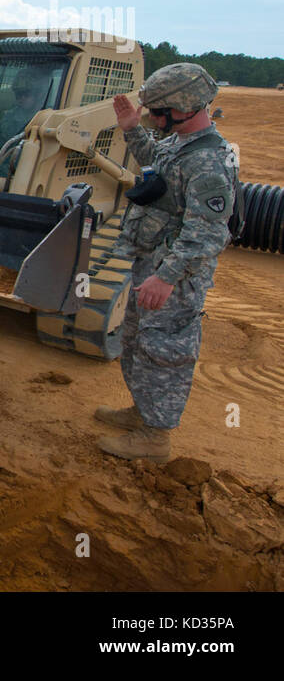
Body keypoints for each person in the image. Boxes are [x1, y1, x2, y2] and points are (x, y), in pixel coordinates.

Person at [95, 63, 237, 462]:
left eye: (158, 113)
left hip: (174, 276)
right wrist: (131, 128)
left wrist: (167, 277)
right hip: (153, 264)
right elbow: (156, 163)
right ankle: (143, 412)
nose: (154, 119)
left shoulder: (209, 162)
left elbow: (208, 233)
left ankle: (155, 438)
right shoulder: (180, 143)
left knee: (165, 350)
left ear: (185, 107)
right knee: (138, 341)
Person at [0, 67, 50, 168]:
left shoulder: (46, 118)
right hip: (5, 165)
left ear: (38, 95)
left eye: (26, 94)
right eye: (18, 95)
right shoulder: (11, 116)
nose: (22, 98)